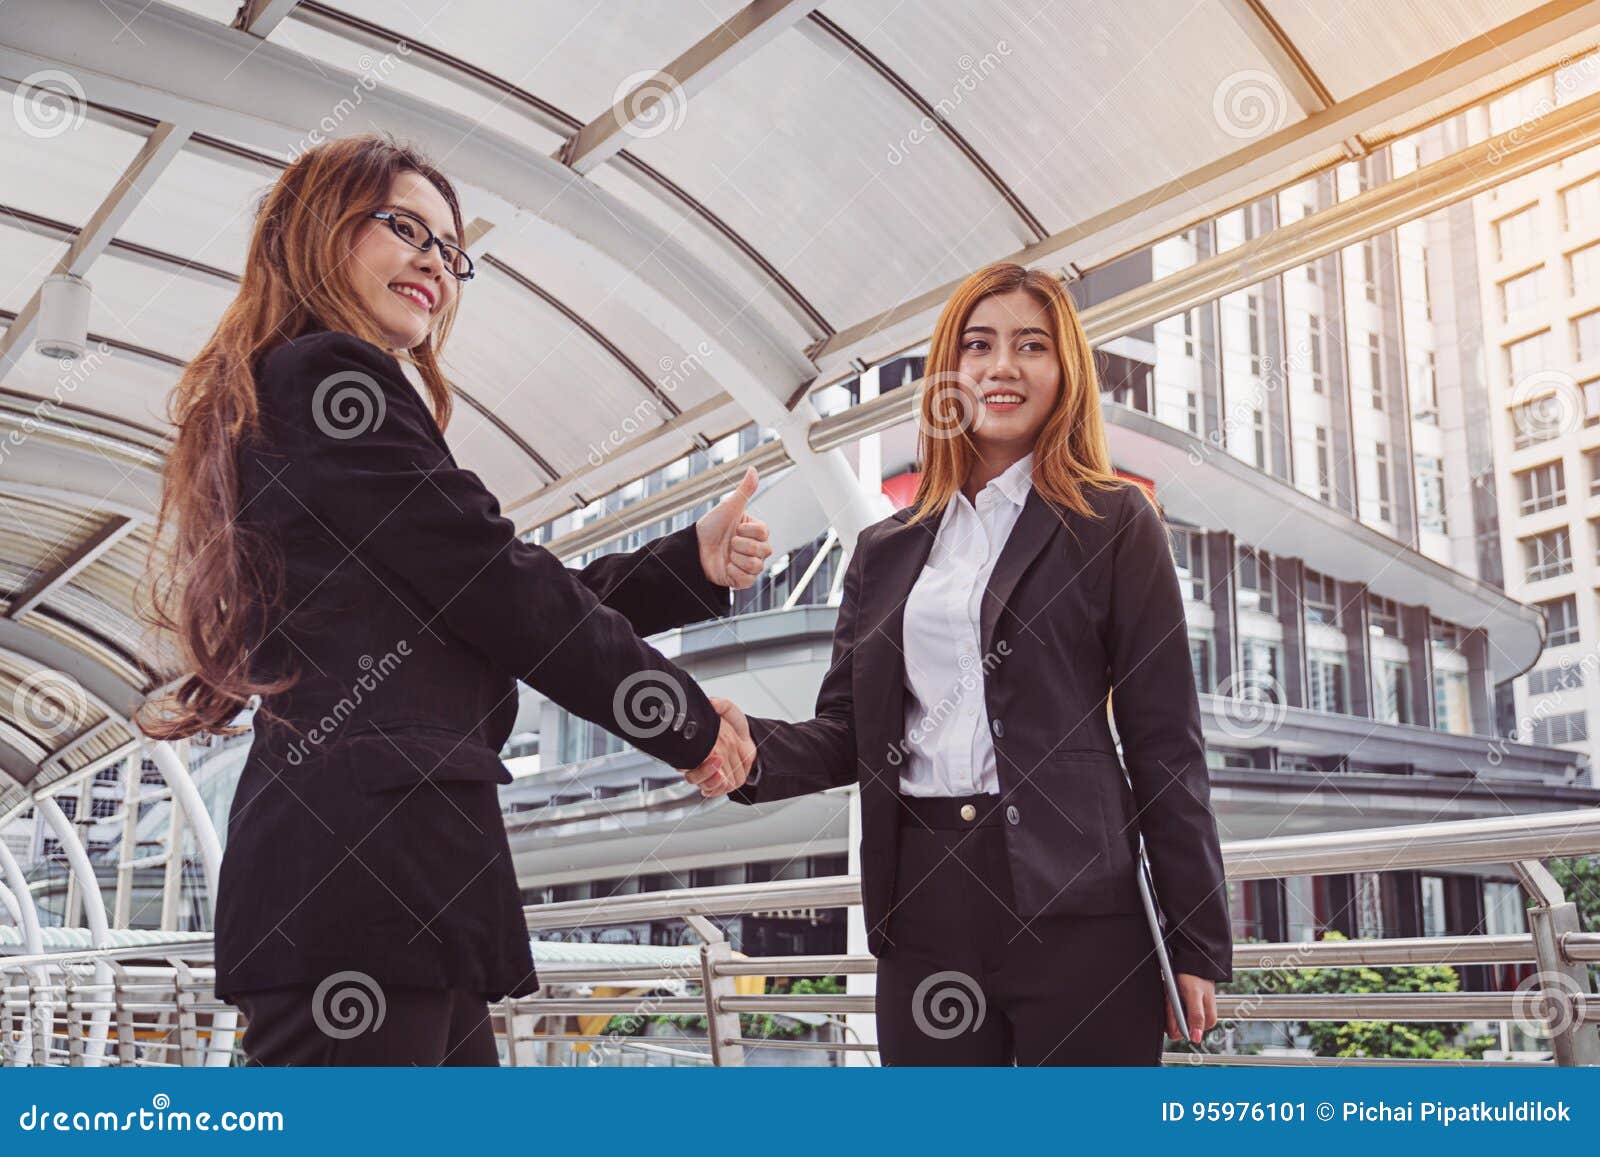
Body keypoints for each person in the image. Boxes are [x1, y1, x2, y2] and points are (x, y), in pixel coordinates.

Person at [138, 134, 770, 1065]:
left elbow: (474, 596)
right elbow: (493, 584)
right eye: (407, 228)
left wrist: (689, 565)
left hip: (395, 893)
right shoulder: (329, 378)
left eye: (451, 246)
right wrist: (681, 719)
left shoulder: (303, 390)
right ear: (319, 229)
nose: (437, 259)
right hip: (366, 890)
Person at [682, 261, 1232, 1065]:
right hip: (927, 903)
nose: (1002, 366)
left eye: (1031, 345)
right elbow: (850, 728)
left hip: (1080, 902)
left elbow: (1165, 742)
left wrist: (1195, 939)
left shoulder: (1114, 523)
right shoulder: (884, 550)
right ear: (950, 371)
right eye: (979, 345)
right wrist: (752, 748)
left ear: (1064, 372)